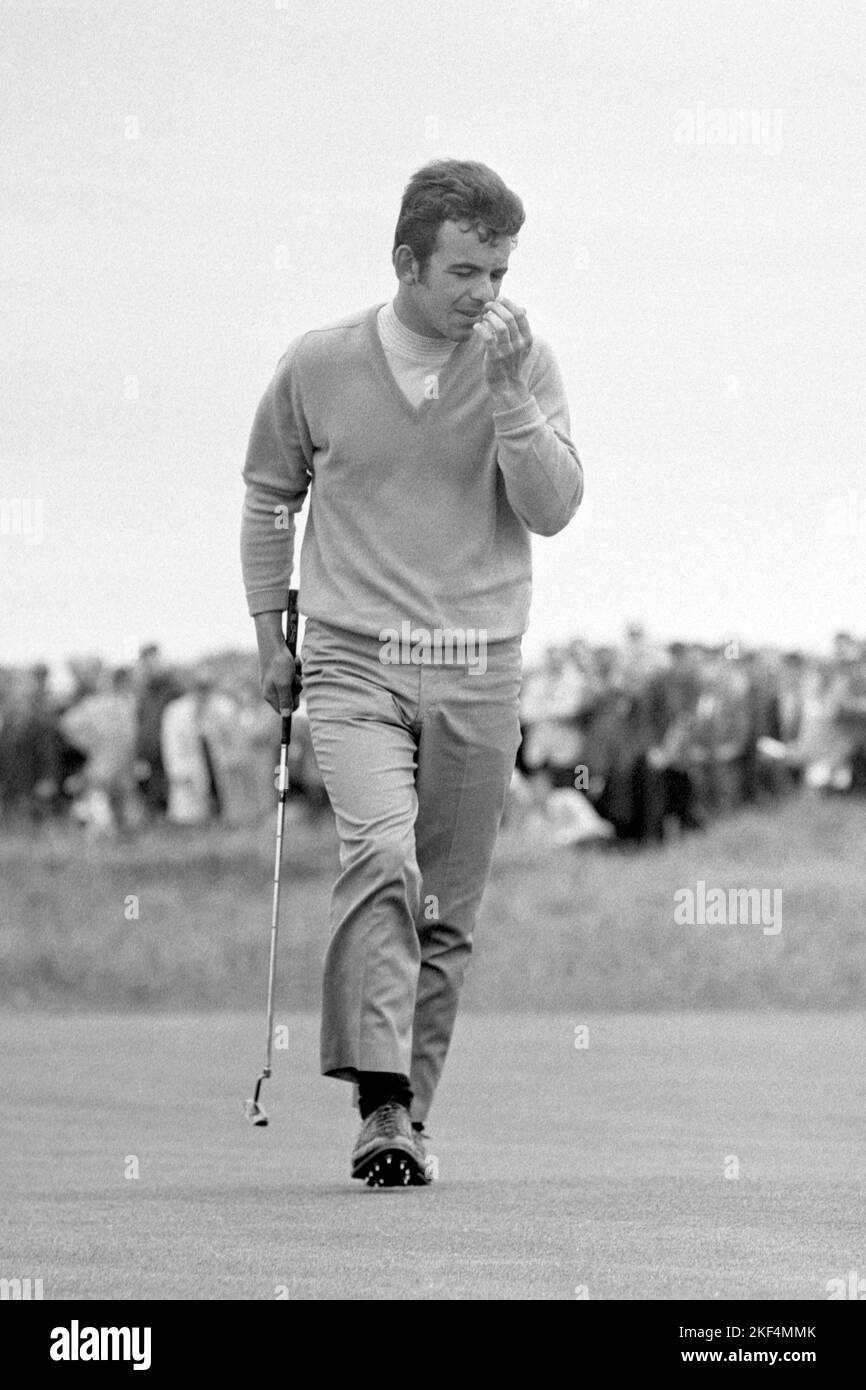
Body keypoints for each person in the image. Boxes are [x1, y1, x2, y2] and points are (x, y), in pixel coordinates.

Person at [241, 159, 584, 1186]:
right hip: (354, 659)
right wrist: (267, 635)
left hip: (479, 663)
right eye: (465, 272)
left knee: (445, 911)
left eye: (499, 272)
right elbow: (269, 496)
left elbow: (553, 508)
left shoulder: (523, 362)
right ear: (406, 262)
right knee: (382, 856)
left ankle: (402, 1124)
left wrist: (511, 398)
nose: (486, 294)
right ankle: (380, 1097)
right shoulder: (318, 362)